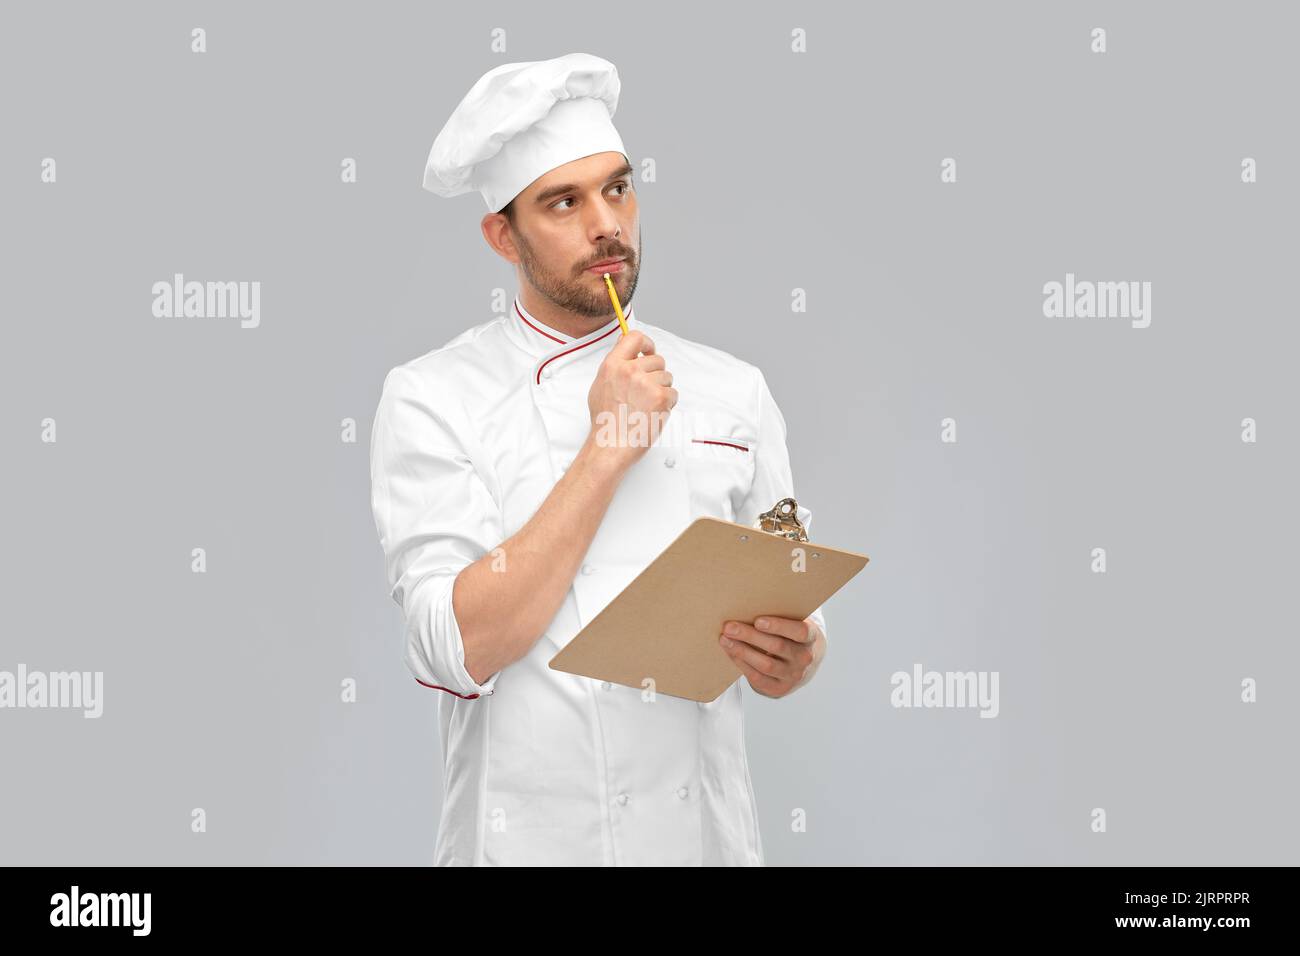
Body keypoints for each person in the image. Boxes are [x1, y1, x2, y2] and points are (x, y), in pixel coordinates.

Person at [369, 52, 828, 866]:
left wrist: (796, 654)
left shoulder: (735, 389)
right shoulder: (433, 397)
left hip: (702, 844)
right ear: (501, 235)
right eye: (563, 202)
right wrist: (606, 447)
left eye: (617, 188)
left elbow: (790, 593)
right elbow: (457, 647)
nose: (605, 224)